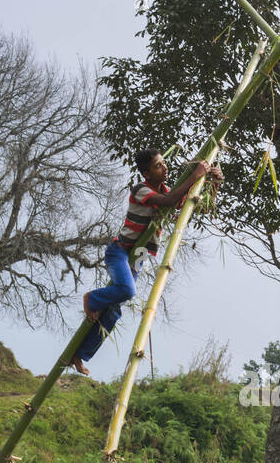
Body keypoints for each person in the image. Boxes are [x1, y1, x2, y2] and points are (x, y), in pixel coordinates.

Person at [72, 149, 222, 375]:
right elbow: (169, 201)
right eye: (158, 166)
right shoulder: (141, 190)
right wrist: (195, 175)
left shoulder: (167, 191)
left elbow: (198, 206)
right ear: (147, 173)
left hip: (138, 258)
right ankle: (91, 297)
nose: (165, 168)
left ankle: (79, 355)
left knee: (113, 313)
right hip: (120, 252)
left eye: (163, 164)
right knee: (126, 290)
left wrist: (211, 182)